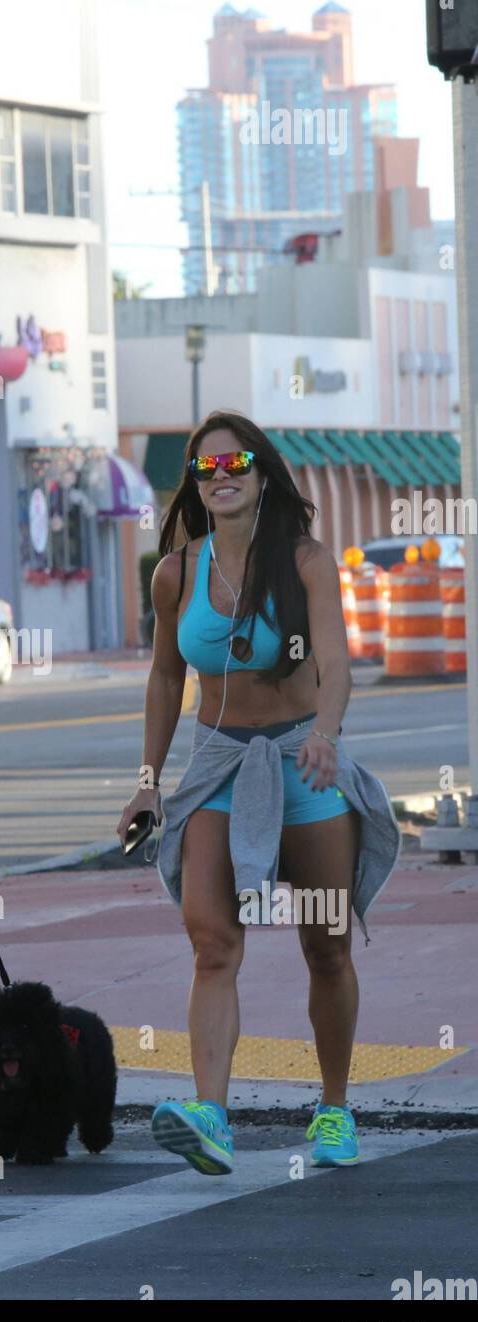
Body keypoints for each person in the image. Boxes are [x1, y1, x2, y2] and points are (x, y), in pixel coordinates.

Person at [117, 411, 400, 1176]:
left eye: (235, 462)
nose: (221, 476)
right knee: (213, 942)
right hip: (217, 768)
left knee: (328, 946)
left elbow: (335, 664)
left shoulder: (304, 560)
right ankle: (211, 1114)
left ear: (262, 471)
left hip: (302, 763)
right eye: (205, 468)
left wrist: (326, 736)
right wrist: (148, 783)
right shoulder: (175, 573)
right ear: (195, 483)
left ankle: (335, 1110)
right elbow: (165, 678)